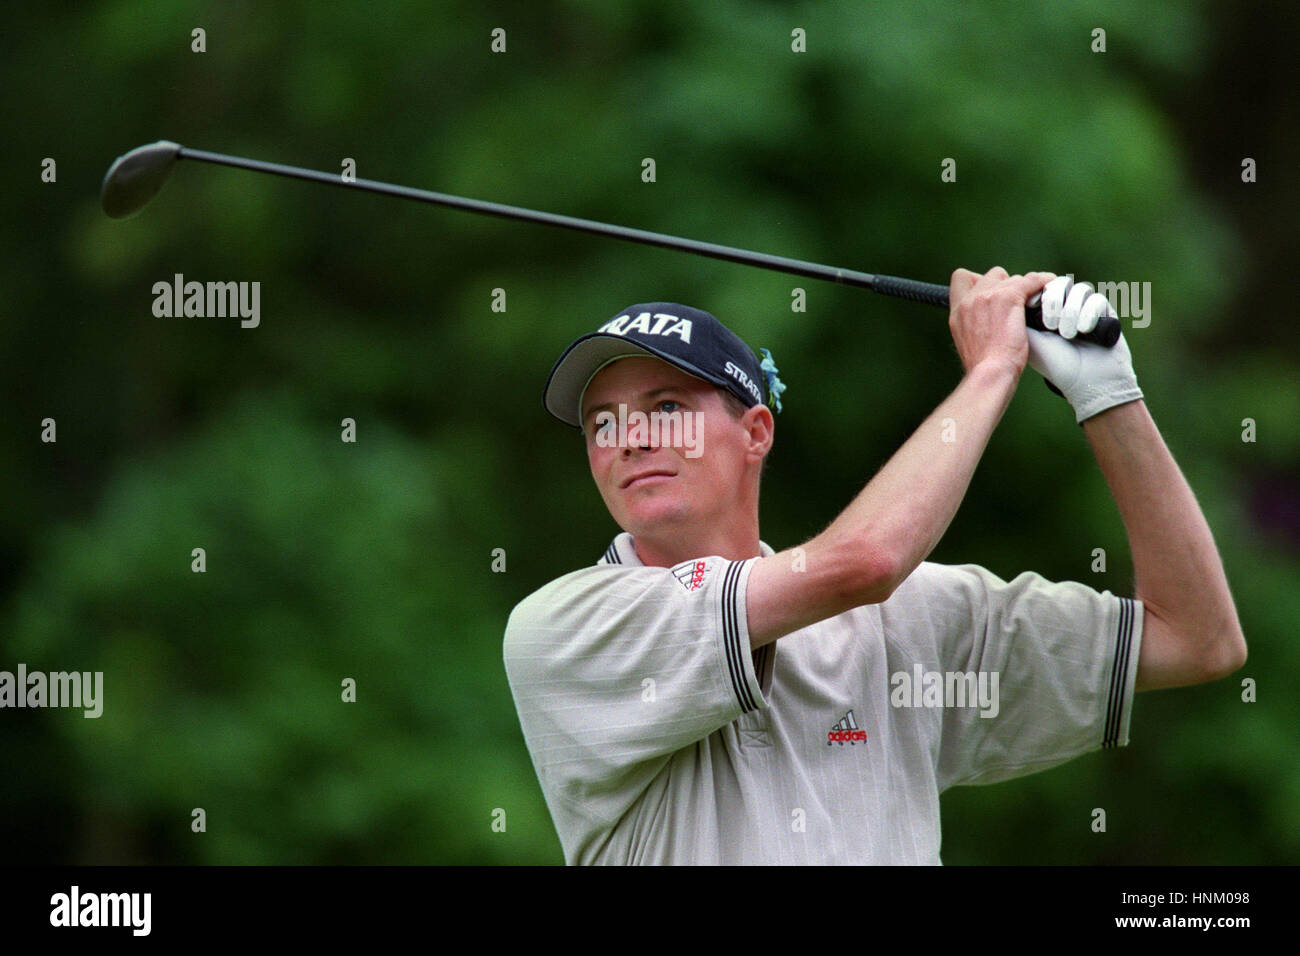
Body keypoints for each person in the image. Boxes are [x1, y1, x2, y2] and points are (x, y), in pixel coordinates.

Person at [502, 268, 1247, 865]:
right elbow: (867, 560)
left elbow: (1198, 639)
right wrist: (994, 370)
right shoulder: (561, 627)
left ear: (755, 431)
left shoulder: (908, 622)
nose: (629, 437)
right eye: (604, 422)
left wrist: (1106, 392)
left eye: (665, 405)